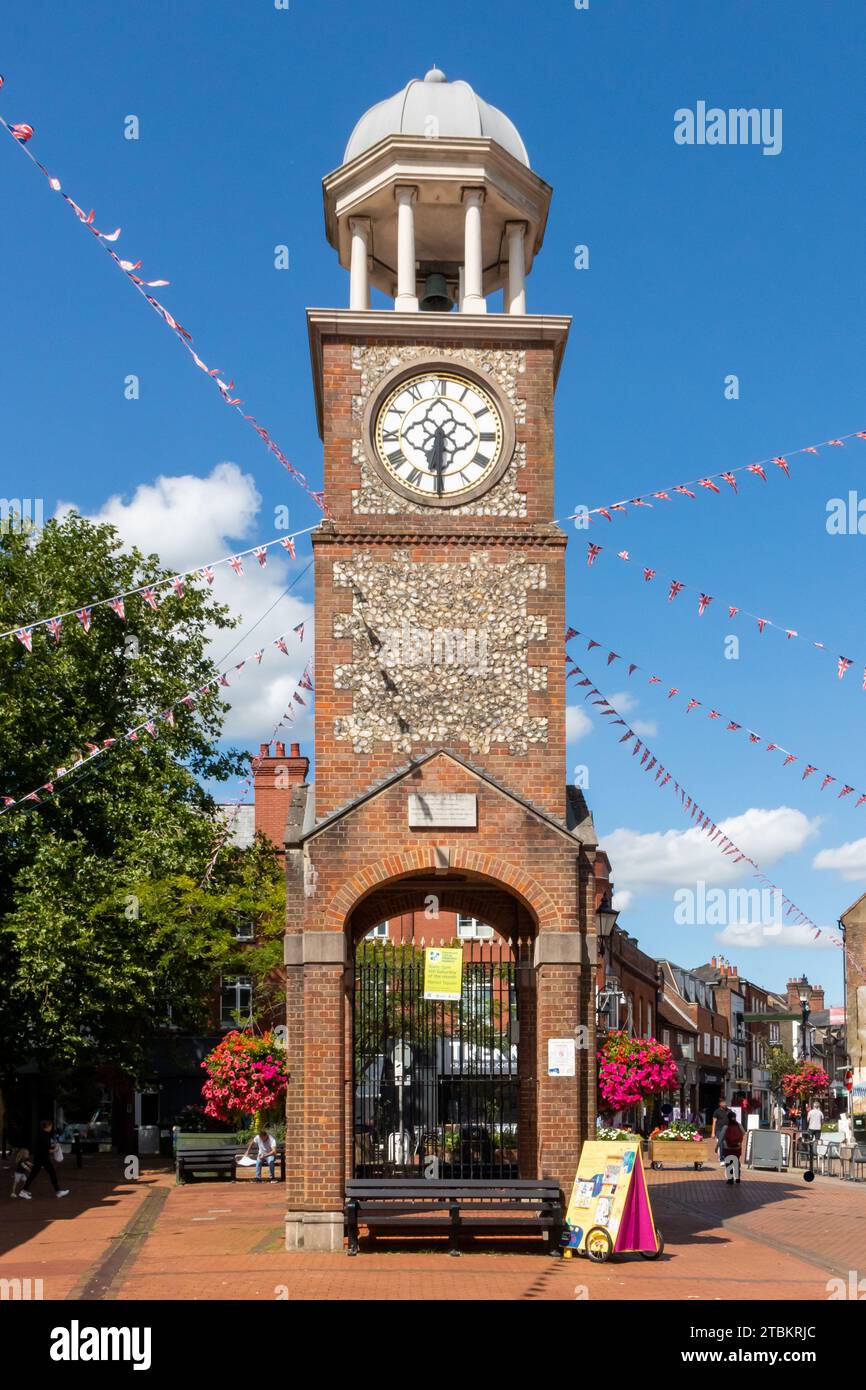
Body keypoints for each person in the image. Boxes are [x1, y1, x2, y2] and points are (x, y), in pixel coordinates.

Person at [19, 1121, 70, 1199]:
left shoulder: (42, 1134)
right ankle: (58, 1192)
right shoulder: (45, 1136)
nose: (51, 1127)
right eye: (51, 1126)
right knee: (48, 1174)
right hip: (42, 1159)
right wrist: (55, 1149)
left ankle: (24, 1191)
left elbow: (45, 1147)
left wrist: (53, 1147)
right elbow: (46, 1149)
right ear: (47, 1126)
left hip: (41, 1158)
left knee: (35, 1175)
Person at [721, 1114, 745, 1185]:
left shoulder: (725, 1126)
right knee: (736, 1161)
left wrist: (717, 1146)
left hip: (727, 1147)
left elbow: (721, 1137)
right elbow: (743, 1133)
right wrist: (738, 1139)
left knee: (729, 1163)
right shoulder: (739, 1125)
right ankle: (737, 1178)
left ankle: (730, 1179)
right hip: (737, 1147)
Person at [711, 1099, 731, 1165]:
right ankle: (722, 1159)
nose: (725, 1104)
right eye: (723, 1103)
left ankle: (725, 1158)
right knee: (721, 1143)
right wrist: (713, 1132)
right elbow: (714, 1122)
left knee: (726, 1144)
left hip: (727, 1130)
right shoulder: (716, 1112)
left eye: (725, 1103)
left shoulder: (729, 1111)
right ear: (720, 1104)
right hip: (719, 1130)